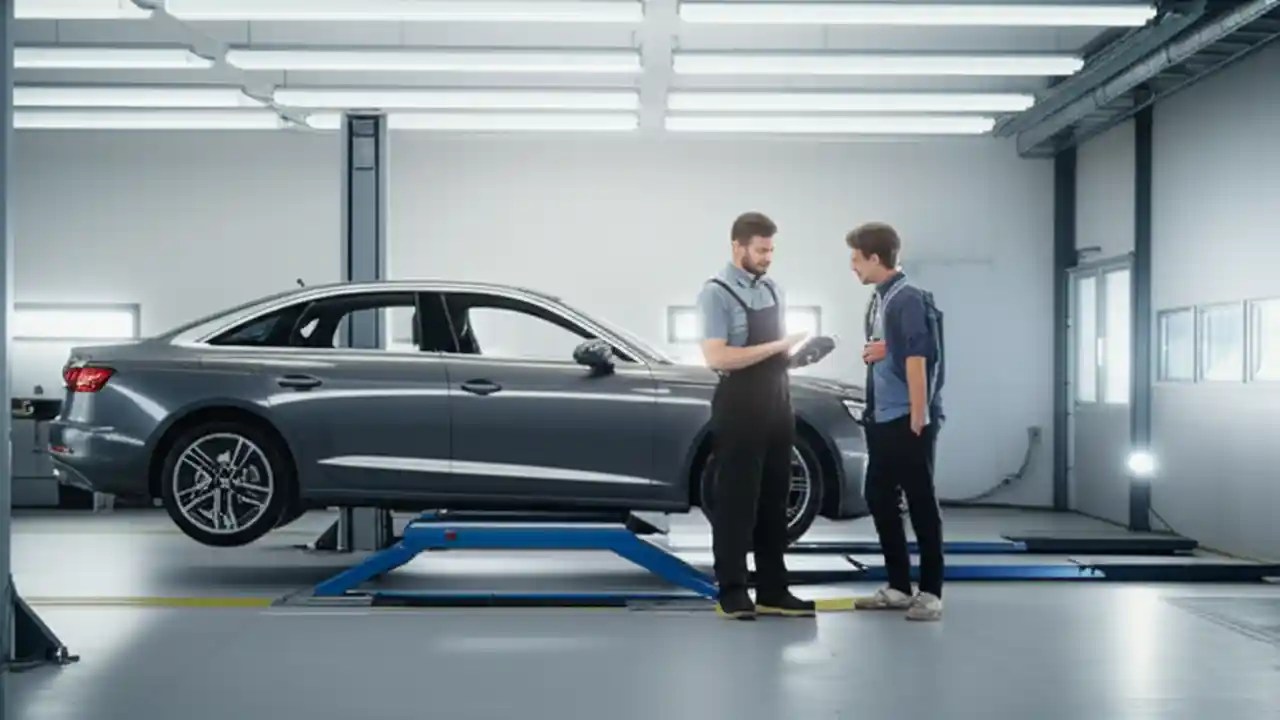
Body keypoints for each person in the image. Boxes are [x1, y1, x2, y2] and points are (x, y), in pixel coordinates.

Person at [697, 211, 814, 620]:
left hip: (778, 399)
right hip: (739, 403)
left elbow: (773, 353)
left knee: (775, 498)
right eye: (761, 250)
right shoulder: (715, 293)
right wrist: (779, 346)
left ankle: (773, 590)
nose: (768, 258)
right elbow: (717, 356)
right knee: (736, 499)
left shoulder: (774, 289)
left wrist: (797, 353)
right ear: (738, 247)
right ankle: (731, 591)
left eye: (771, 250)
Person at [846, 222, 945, 622]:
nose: (852, 266)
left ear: (875, 258)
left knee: (920, 503)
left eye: (856, 258)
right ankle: (899, 587)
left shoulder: (907, 298)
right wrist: (882, 352)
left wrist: (919, 417)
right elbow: (898, 349)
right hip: (883, 417)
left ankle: (931, 593)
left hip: (907, 418)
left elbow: (919, 357)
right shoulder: (880, 299)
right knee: (879, 496)